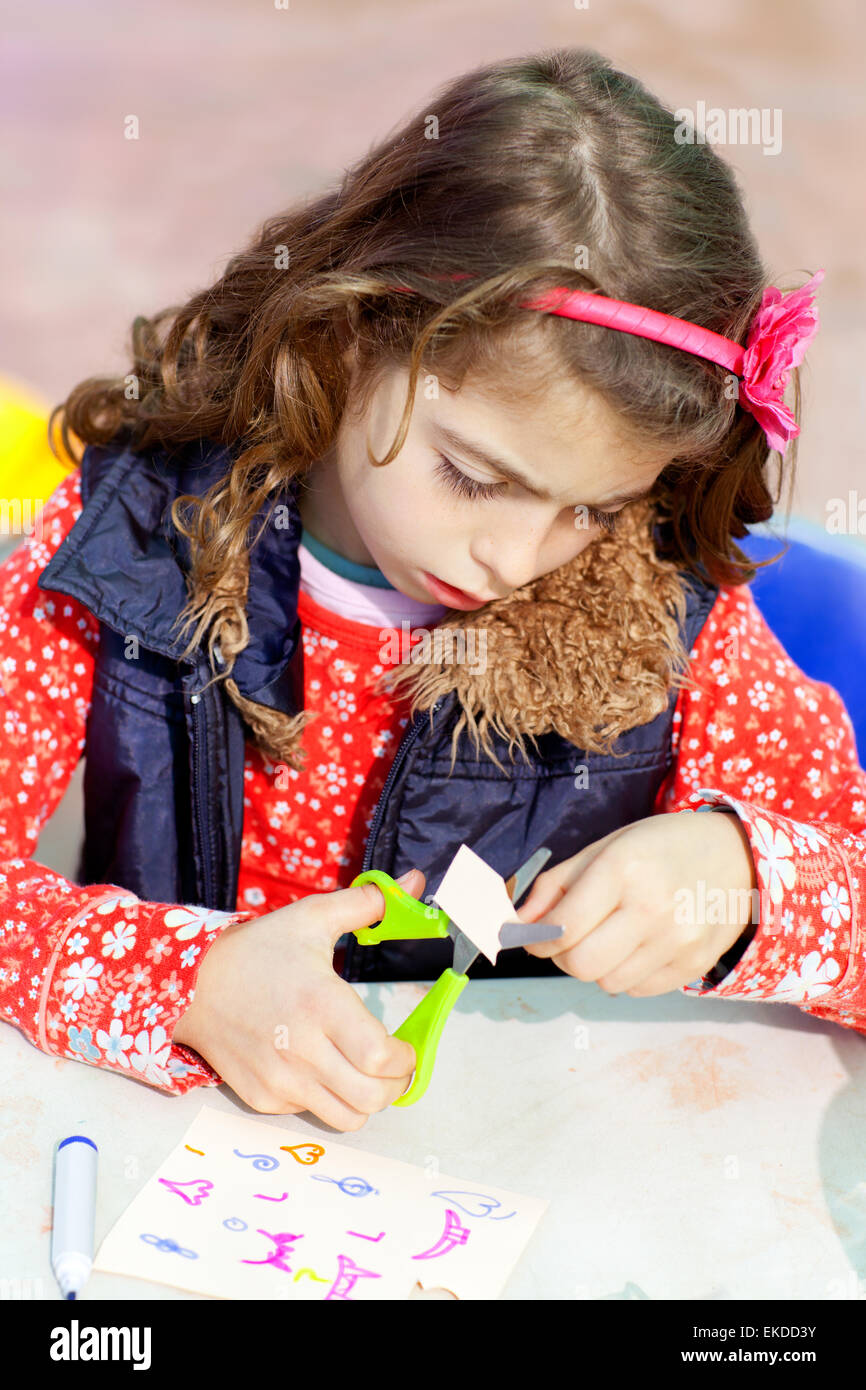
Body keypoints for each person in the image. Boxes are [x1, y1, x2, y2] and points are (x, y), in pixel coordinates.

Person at [1, 49, 862, 1136]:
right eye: (473, 477)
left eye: (589, 508)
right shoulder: (133, 538)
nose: (514, 555)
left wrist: (742, 878)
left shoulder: (666, 618)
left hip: (541, 1183)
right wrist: (188, 979)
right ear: (349, 330)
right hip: (174, 1167)